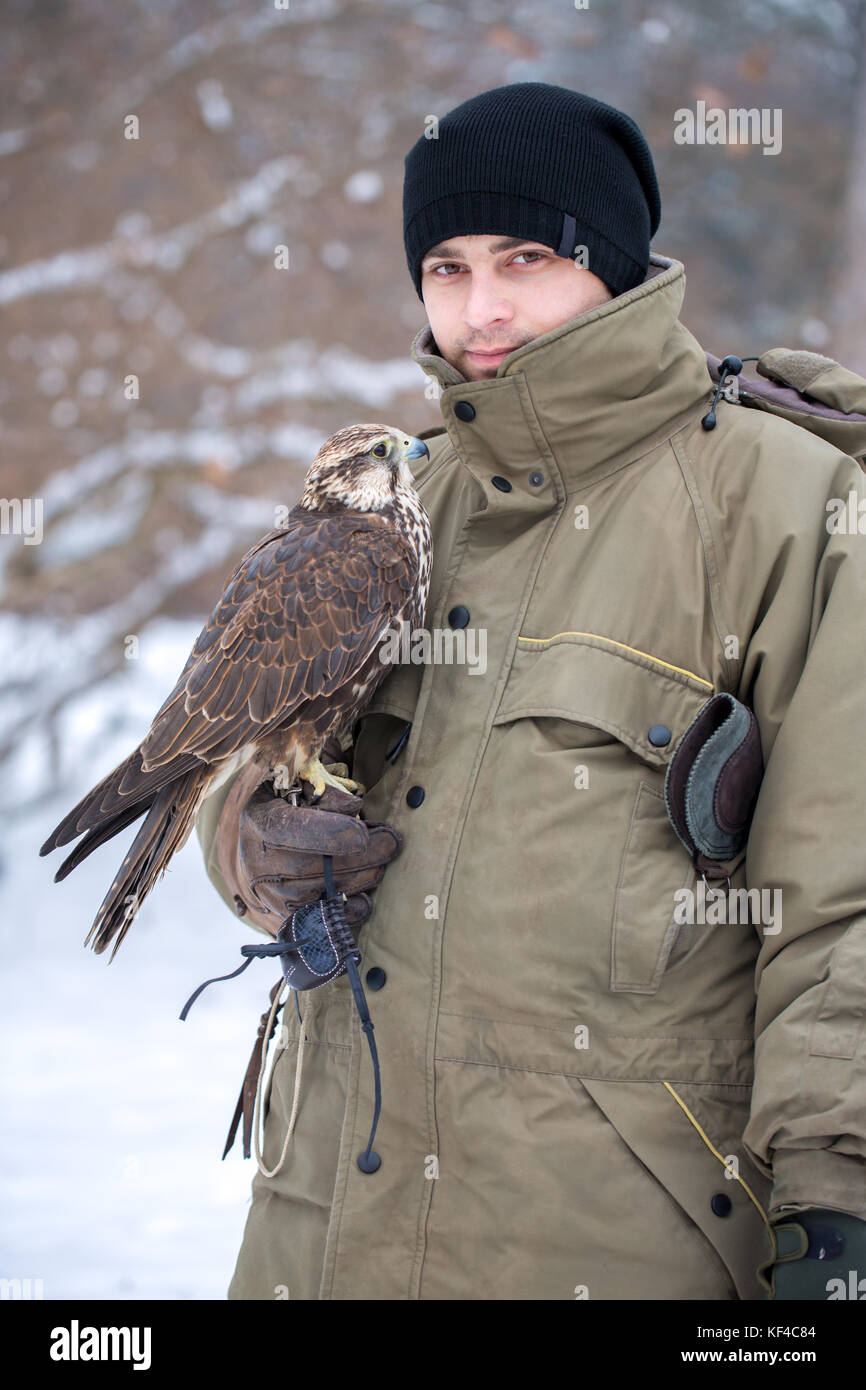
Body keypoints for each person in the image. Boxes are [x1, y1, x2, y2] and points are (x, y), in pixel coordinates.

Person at [195, 82, 866, 1300]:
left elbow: (844, 904)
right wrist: (247, 840)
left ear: (608, 266)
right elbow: (244, 749)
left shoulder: (789, 506)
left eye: (526, 257)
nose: (481, 307)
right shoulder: (396, 508)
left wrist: (839, 1213)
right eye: (444, 267)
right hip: (324, 1228)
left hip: (616, 1246)